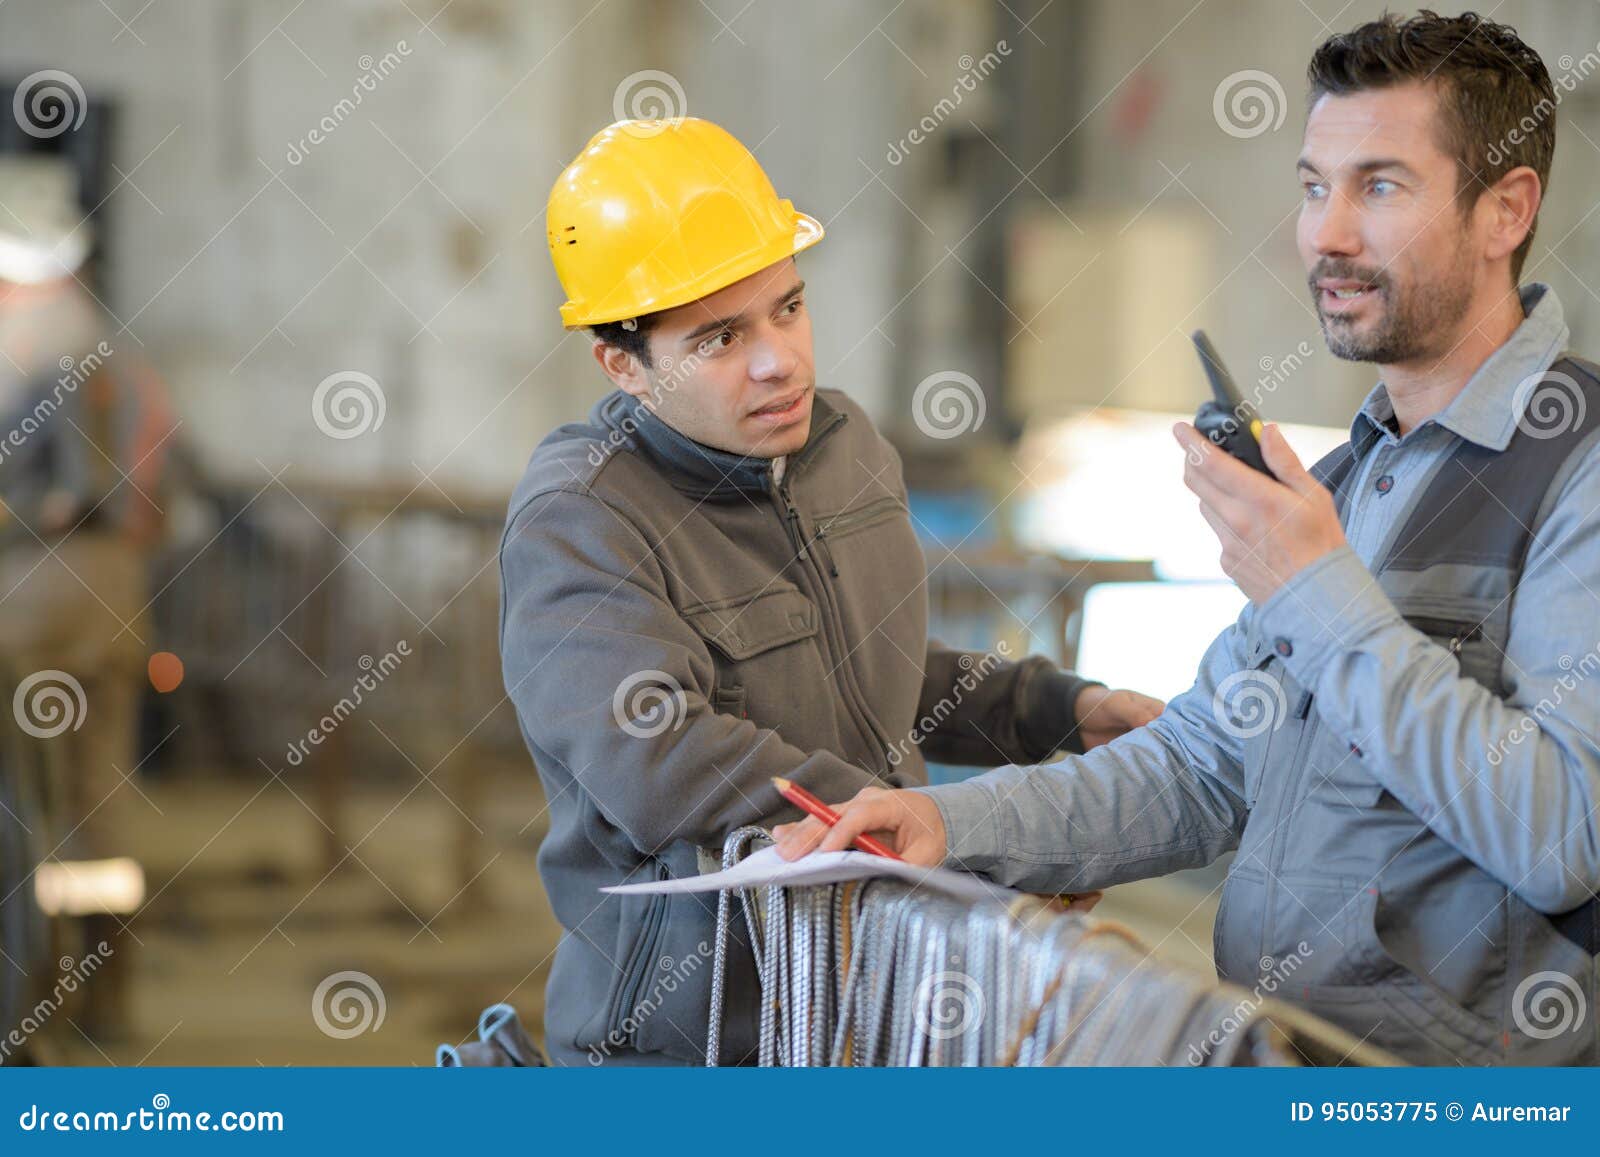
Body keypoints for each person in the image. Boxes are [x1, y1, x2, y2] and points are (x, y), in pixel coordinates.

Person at [777, 10, 1600, 1066]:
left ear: (1504, 211)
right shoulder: (1348, 482)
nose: (1325, 234)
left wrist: (1312, 585)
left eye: (1379, 187)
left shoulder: (1574, 467)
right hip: (1283, 1057)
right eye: (1314, 185)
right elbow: (1207, 762)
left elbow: (1561, 832)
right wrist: (951, 825)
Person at [498, 117, 1164, 1066]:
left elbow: (877, 668)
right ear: (623, 364)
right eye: (718, 336)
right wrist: (952, 843)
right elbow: (661, 759)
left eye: (788, 308)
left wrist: (1053, 710)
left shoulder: (845, 452)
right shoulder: (583, 516)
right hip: (699, 1045)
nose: (780, 360)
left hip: (889, 1002)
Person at [0, 154, 175, 1041]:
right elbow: (155, 476)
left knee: (23, 804)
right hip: (112, 594)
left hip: (27, 595)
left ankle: (31, 1001)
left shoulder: (15, 343)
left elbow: (48, 493)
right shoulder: (111, 339)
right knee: (99, 795)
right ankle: (104, 996)